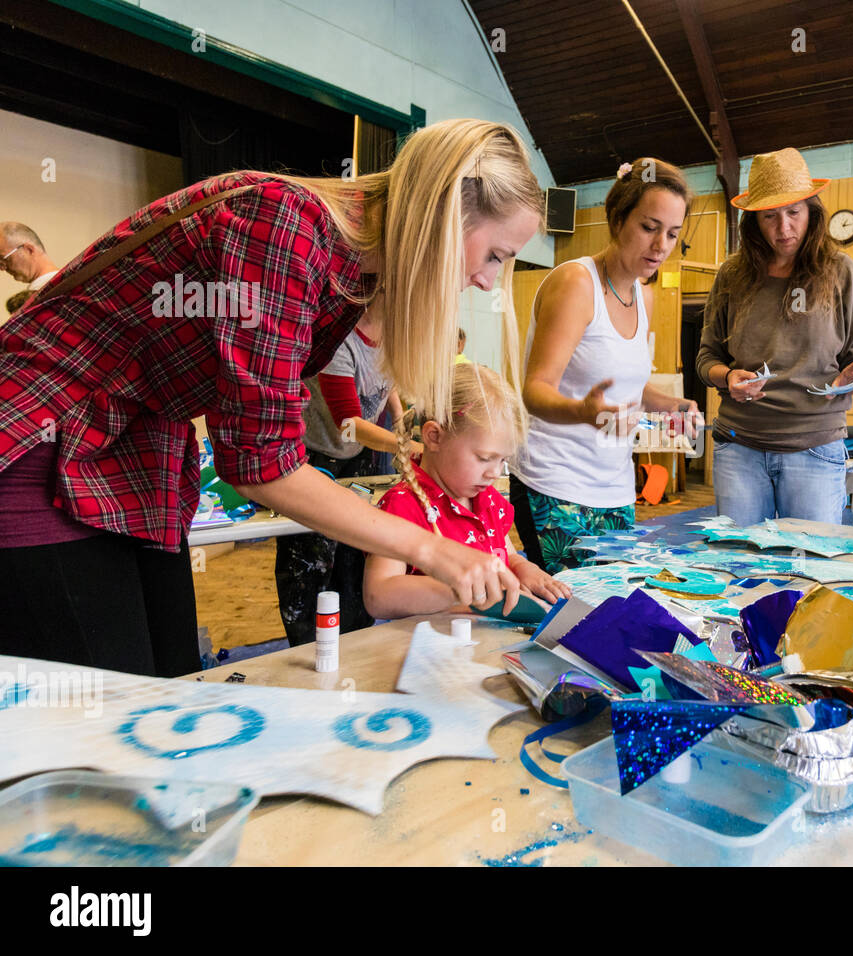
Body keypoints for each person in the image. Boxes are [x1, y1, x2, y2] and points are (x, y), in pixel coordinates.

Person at [0, 118, 540, 677]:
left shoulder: (358, 267)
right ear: (447, 216)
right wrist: (433, 550)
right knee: (96, 704)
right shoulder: (286, 224)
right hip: (42, 429)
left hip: (140, 441)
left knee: (170, 683)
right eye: (496, 256)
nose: (488, 282)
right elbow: (259, 463)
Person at [513, 157, 700, 573]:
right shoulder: (576, 283)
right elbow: (536, 389)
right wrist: (582, 412)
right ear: (617, 220)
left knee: (610, 606)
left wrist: (669, 404)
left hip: (614, 488)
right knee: (567, 614)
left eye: (672, 233)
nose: (661, 246)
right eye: (649, 227)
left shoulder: (645, 296)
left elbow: (628, 388)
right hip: (555, 484)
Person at [696, 147, 853, 527]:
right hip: (739, 445)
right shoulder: (732, 275)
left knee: (810, 569)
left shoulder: (839, 270)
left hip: (814, 445)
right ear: (753, 222)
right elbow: (706, 358)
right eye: (769, 216)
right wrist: (727, 378)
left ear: (812, 211)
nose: (784, 229)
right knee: (738, 564)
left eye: (793, 213)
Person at [365, 363, 569, 618]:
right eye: (484, 458)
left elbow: (504, 553)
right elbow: (379, 596)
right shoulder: (403, 505)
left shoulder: (488, 499)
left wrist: (522, 567)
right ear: (434, 437)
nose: (494, 472)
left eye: (502, 461)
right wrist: (460, 588)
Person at [274, 306, 407, 646]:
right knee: (311, 563)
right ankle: (307, 651)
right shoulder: (340, 336)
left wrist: (399, 415)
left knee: (354, 557)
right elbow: (348, 425)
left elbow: (385, 380)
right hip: (315, 456)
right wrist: (404, 445)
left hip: (359, 456)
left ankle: (354, 645)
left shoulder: (389, 329)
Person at [0, 222, 60, 291]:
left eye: (4, 259)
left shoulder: (52, 292)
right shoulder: (65, 285)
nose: (2, 268)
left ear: (29, 250)